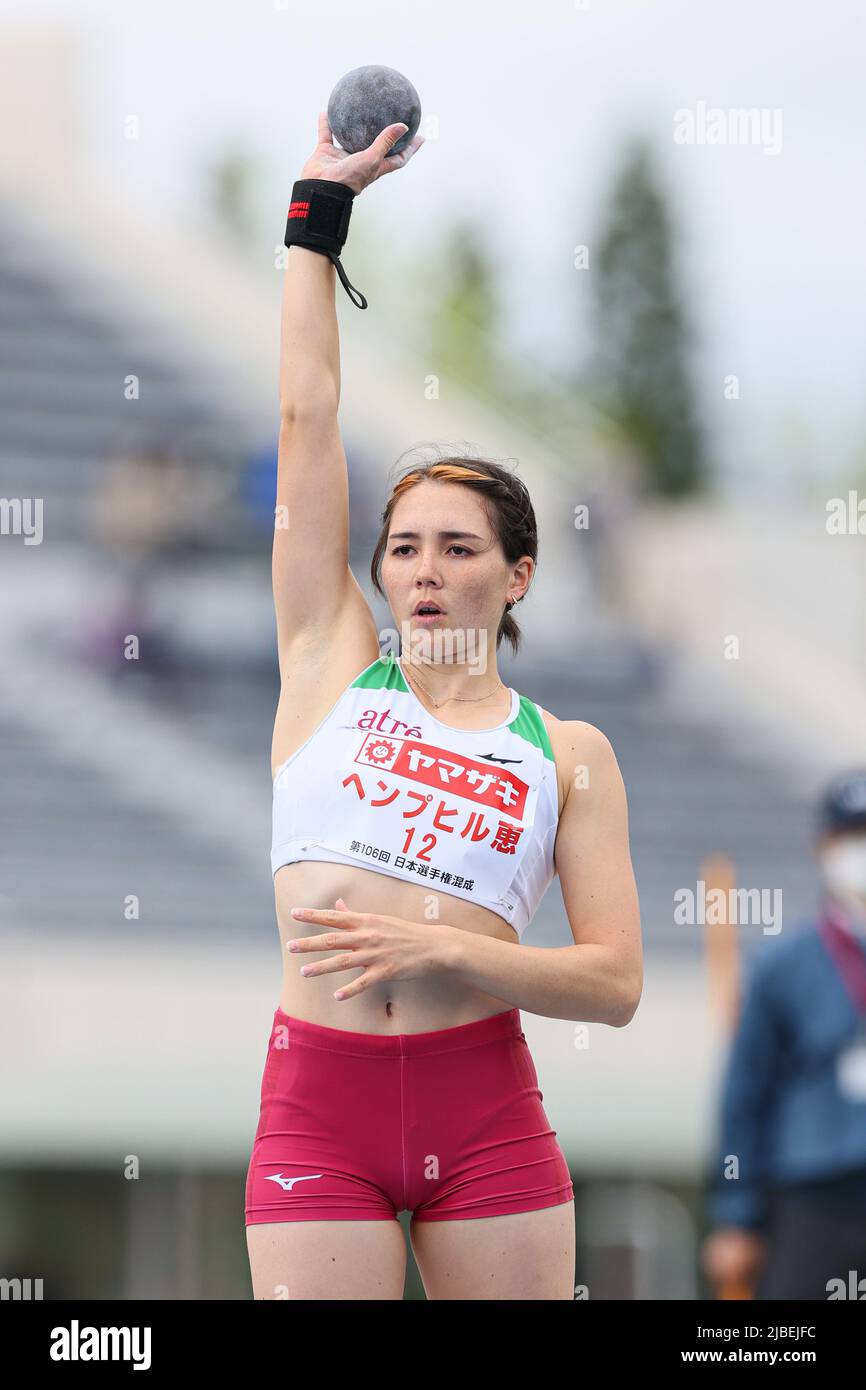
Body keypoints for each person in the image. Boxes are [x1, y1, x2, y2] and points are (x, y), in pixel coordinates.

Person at [244, 113, 643, 1301]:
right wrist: (318, 215)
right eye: (402, 545)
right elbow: (305, 418)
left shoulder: (565, 751)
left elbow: (614, 983)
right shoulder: (326, 659)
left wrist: (436, 946)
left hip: (486, 1113)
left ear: (513, 575)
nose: (422, 568)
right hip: (322, 1101)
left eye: (456, 548)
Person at [702, 770, 866, 1300]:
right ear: (824, 845)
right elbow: (744, 1095)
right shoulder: (782, 966)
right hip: (810, 1192)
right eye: (852, 837)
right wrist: (736, 1214)